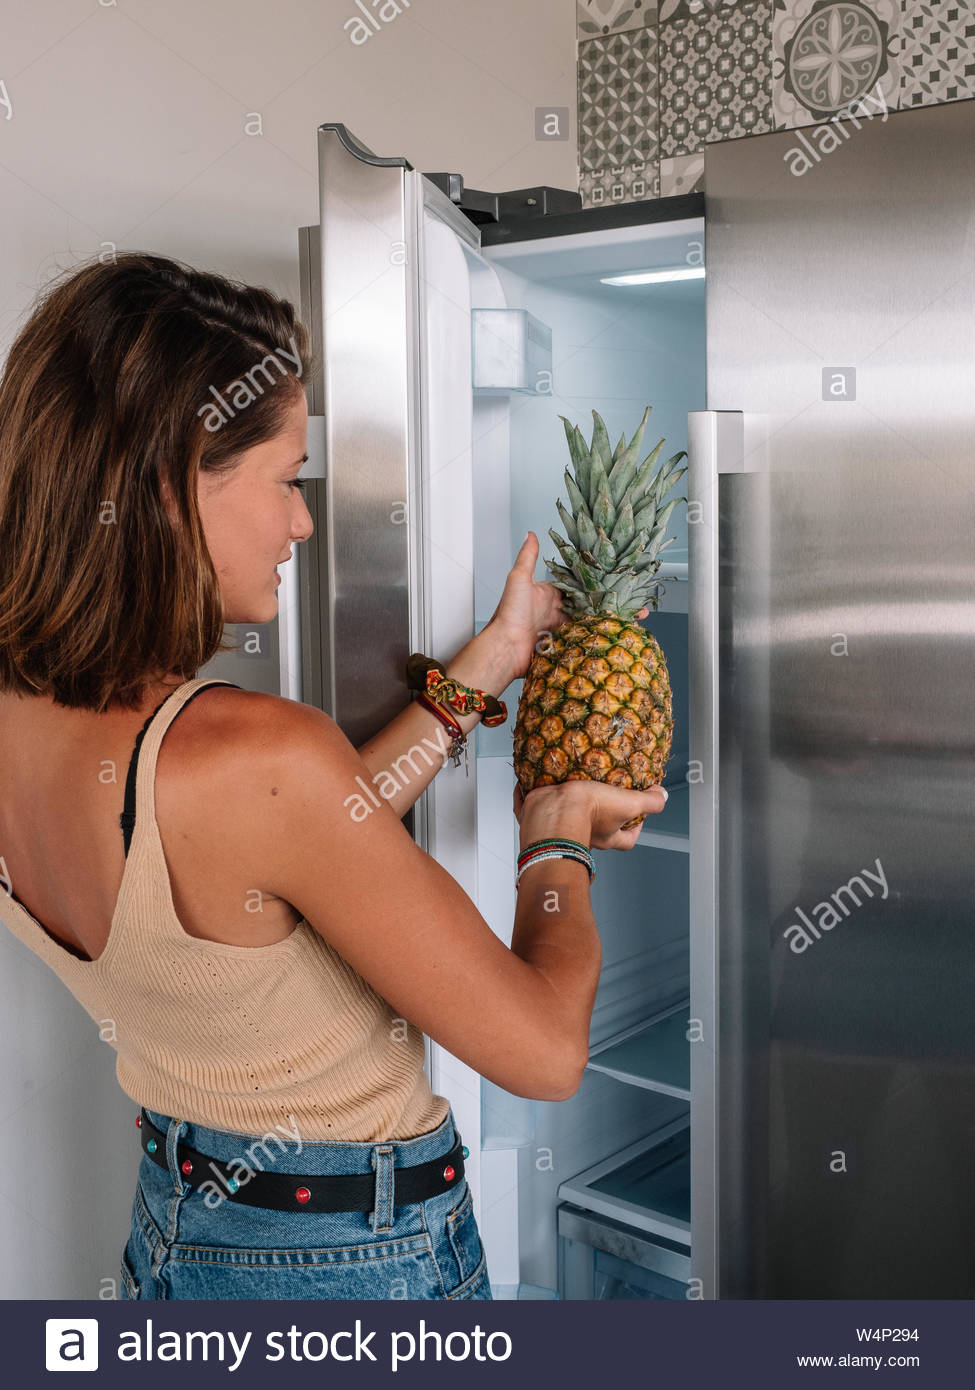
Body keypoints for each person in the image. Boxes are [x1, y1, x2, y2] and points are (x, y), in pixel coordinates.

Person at [0, 253, 668, 1301]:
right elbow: (544, 1052)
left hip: (178, 1236)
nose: (303, 523)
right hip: (352, 1266)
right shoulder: (257, 756)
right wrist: (555, 837)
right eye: (286, 480)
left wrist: (479, 673)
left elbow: (281, 853)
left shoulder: (39, 719)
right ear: (171, 484)